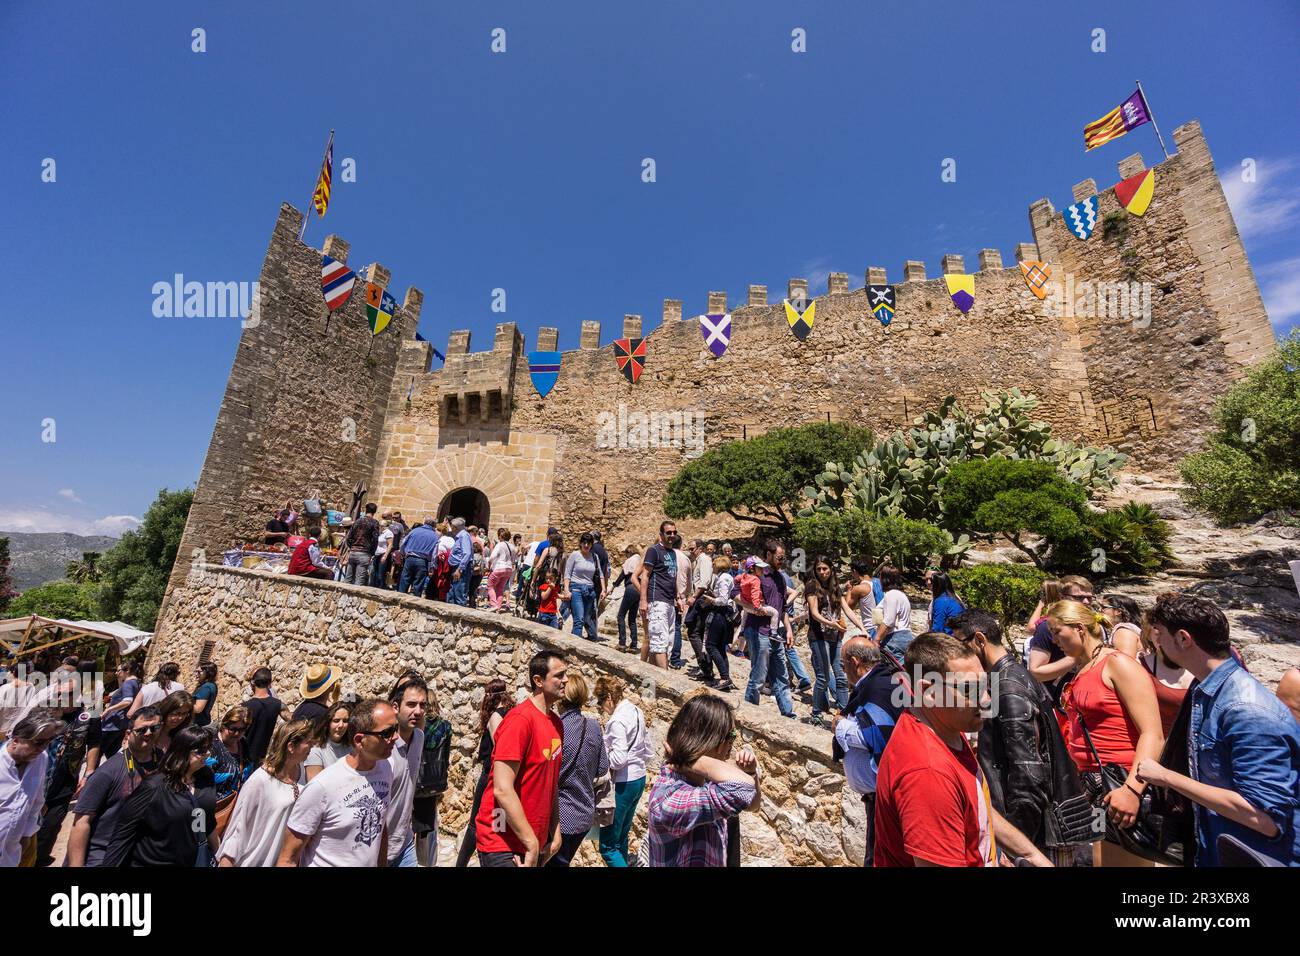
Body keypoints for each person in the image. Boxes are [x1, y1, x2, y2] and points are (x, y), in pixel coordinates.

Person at [1136, 592, 1300, 867]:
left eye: (1159, 633)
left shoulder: (1246, 709)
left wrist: (1165, 777)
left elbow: (1266, 819)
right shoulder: (1206, 690)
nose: (1156, 642)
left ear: (1183, 639)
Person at [873, 632, 1052, 867]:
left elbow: (975, 807)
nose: (987, 700)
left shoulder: (945, 728)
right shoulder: (928, 771)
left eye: (985, 685)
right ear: (929, 691)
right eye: (969, 690)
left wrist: (1032, 856)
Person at [951, 609, 1089, 866]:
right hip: (1042, 828)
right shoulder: (1011, 676)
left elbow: (1028, 775)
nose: (958, 654)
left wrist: (1015, 846)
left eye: (961, 645)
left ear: (980, 640)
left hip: (1041, 834)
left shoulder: (1008, 687)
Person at [1046, 599, 1164, 867]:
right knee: (1102, 862)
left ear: (1079, 628)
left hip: (1121, 780)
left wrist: (1132, 790)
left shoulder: (1118, 664)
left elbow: (1153, 734)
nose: (1053, 640)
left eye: (1056, 631)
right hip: (1095, 785)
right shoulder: (1084, 667)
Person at [474, 651, 567, 867]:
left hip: (531, 843)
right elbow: (502, 789)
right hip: (503, 843)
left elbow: (550, 783)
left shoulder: (556, 723)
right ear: (538, 681)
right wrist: (531, 843)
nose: (566, 680)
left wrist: (555, 831)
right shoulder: (520, 720)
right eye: (559, 675)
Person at [278, 699, 396, 867]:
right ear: (359, 740)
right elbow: (287, 858)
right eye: (387, 733)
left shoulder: (386, 768)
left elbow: (380, 826)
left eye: (395, 729)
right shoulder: (321, 787)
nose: (396, 737)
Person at [646, 693, 761, 867]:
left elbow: (752, 803)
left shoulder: (705, 780)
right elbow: (743, 788)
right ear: (707, 739)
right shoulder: (669, 799)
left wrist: (752, 773)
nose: (732, 742)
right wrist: (689, 757)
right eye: (730, 735)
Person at [832, 637, 903, 866]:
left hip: (885, 797)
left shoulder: (880, 687)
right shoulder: (875, 682)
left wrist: (840, 726)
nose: (843, 671)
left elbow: (876, 736)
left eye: (843, 665)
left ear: (855, 662)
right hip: (876, 797)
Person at [104, 725, 217, 867]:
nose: (207, 754)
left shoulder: (206, 777)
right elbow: (123, 833)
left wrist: (219, 855)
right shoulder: (154, 786)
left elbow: (208, 821)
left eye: (208, 749)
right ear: (182, 752)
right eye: (201, 751)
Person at [66, 706, 162, 867]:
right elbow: (81, 823)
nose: (148, 733)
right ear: (127, 734)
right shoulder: (108, 771)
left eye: (154, 728)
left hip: (139, 852)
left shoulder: (163, 762)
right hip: (103, 855)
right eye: (141, 730)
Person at [548, 674, 611, 867]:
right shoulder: (593, 726)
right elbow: (602, 768)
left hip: (559, 818)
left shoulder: (556, 728)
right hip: (583, 815)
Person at [595, 675, 653, 866]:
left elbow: (619, 760)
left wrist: (601, 758)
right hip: (639, 778)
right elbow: (648, 748)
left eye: (601, 701)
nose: (600, 706)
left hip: (623, 783)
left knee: (608, 846)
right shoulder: (636, 710)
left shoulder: (616, 721)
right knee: (621, 837)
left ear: (610, 698)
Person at [455, 679, 511, 867]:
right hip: (502, 777)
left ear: (490, 696)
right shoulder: (512, 713)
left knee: (474, 823)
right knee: (498, 821)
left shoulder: (496, 717)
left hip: (491, 776)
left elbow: (501, 749)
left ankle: (461, 863)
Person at [737, 545, 795, 720]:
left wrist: (789, 629)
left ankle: (788, 714)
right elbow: (735, 594)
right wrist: (751, 608)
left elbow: (782, 608)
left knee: (781, 676)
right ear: (768, 554)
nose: (781, 560)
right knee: (759, 675)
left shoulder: (780, 579)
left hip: (776, 634)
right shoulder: (757, 574)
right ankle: (749, 714)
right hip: (758, 631)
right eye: (779, 557)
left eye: (783, 557)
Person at [0, 711, 64, 867]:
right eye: (38, 742)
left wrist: (28, 833)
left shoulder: (40, 759)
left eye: (48, 742)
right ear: (15, 740)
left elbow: (36, 801)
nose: (42, 748)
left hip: (12, 853)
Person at [1026, 575, 1094, 706]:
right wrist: (1076, 658)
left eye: (1089, 597)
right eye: (1079, 597)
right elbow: (1036, 672)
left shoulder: (1095, 624)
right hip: (1057, 704)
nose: (1086, 602)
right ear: (1062, 597)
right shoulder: (1047, 627)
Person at [385, 674, 428, 867]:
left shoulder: (419, 738)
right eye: (411, 704)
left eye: (422, 705)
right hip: (377, 845)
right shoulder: (383, 746)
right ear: (395, 707)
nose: (418, 711)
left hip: (404, 843)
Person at [804, 554, 850, 727]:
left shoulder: (835, 587)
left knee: (841, 676)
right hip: (819, 636)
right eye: (819, 569)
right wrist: (831, 623)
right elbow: (814, 613)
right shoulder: (812, 586)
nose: (822, 572)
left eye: (825, 568)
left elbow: (846, 609)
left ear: (831, 569)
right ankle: (816, 713)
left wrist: (861, 627)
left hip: (835, 636)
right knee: (823, 677)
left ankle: (845, 712)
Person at [635, 520, 687, 670]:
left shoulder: (672, 553)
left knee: (665, 643)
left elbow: (672, 577)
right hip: (656, 601)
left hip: (669, 603)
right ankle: (666, 680)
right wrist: (643, 600)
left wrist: (678, 598)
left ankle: (650, 682)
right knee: (658, 644)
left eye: (674, 533)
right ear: (661, 535)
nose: (672, 535)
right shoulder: (654, 550)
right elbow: (644, 576)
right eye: (668, 533)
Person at [413, 693, 452, 866]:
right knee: (427, 827)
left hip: (416, 781)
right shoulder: (445, 726)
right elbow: (446, 755)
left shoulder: (416, 728)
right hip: (434, 782)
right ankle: (426, 862)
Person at [700, 553, 737, 692]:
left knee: (711, 646)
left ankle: (725, 677)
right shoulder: (726, 577)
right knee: (720, 648)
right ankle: (725, 676)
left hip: (719, 614)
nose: (712, 567)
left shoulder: (723, 579)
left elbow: (722, 599)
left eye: (714, 564)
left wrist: (710, 599)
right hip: (723, 616)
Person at [683, 539, 715, 680]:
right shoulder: (699, 560)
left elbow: (704, 581)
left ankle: (705, 668)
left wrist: (694, 597)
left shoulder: (704, 560)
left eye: (692, 549)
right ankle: (704, 666)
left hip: (701, 599)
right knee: (697, 633)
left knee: (694, 632)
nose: (690, 552)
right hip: (699, 598)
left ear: (700, 548)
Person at [562, 532, 604, 640]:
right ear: (580, 543)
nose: (586, 545)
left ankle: (574, 640)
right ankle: (575, 647)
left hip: (590, 591)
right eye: (584, 543)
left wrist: (604, 589)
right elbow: (567, 573)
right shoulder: (575, 555)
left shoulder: (594, 557)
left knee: (586, 619)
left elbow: (601, 574)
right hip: (576, 589)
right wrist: (566, 589)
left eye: (589, 543)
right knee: (579, 619)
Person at [98, 660, 142, 756]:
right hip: (123, 724)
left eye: (119, 671)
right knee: (112, 753)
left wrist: (109, 709)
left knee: (97, 752)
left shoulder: (128, 683)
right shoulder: (137, 683)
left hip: (112, 724)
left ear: (127, 671)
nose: (116, 673)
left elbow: (127, 700)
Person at [242, 667, 284, 767]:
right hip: (261, 759)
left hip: (242, 758)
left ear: (253, 683)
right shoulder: (278, 705)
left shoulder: (244, 707)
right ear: (270, 683)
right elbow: (293, 721)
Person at [208, 706, 251, 801]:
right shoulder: (212, 746)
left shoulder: (243, 743)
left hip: (236, 804)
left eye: (241, 730)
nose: (237, 734)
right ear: (224, 725)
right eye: (233, 729)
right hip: (215, 807)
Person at [304, 700, 353, 782]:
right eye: (336, 721)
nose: (341, 725)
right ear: (328, 723)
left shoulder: (351, 746)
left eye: (345, 721)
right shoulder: (315, 749)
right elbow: (314, 785)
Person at [875, 566, 915, 659]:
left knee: (891, 670)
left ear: (884, 579)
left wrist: (876, 640)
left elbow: (889, 620)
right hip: (906, 636)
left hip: (894, 638)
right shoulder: (901, 595)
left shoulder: (891, 595)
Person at [342, 502, 382, 586]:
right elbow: (375, 539)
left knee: (348, 579)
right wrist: (372, 553)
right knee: (359, 581)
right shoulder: (374, 523)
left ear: (365, 510)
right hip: (364, 553)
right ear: (374, 511)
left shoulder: (357, 521)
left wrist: (352, 547)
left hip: (353, 552)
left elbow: (349, 538)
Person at [397, 518, 439, 595]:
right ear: (434, 525)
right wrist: (432, 566)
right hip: (423, 561)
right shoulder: (435, 536)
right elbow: (434, 554)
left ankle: (398, 601)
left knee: (404, 582)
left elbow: (403, 543)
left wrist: (403, 554)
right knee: (418, 585)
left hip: (409, 559)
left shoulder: (414, 531)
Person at [614, 544, 642, 652]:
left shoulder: (630, 560)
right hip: (639, 589)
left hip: (630, 588)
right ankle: (634, 645)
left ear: (628, 552)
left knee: (621, 615)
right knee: (632, 618)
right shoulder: (640, 560)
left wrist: (614, 585)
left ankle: (622, 643)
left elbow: (622, 575)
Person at [843, 557, 878, 640]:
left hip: (870, 628)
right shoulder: (878, 582)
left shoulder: (860, 588)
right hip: (883, 627)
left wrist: (849, 589)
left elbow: (848, 607)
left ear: (854, 571)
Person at [1100, 593, 1143, 657]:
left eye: (1104, 607)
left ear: (1118, 611)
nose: (1099, 610)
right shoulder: (1129, 629)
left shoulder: (1124, 631)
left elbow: (1126, 661)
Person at [446, 517, 476, 606]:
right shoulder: (461, 536)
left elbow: (466, 554)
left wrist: (459, 569)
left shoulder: (464, 536)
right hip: (458, 567)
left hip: (461, 569)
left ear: (455, 527)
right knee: (452, 593)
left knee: (459, 593)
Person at [487, 527, 517, 611]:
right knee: (500, 588)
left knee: (490, 586)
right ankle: (498, 607)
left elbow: (492, 557)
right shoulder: (512, 547)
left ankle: (493, 604)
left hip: (499, 568)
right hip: (508, 569)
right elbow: (513, 560)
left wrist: (489, 565)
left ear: (501, 537)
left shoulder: (500, 544)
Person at [191, 662, 218, 729]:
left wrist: (182, 705)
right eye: (196, 671)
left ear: (207, 673)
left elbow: (198, 708)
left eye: (199, 672)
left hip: (197, 724)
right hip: (203, 722)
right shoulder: (212, 685)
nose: (196, 674)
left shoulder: (206, 687)